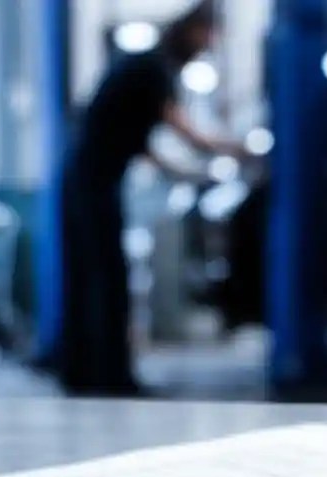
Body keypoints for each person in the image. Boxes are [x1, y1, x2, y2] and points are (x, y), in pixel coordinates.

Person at [58, 0, 243, 396]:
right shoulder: (153, 69)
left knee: (93, 278)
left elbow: (139, 143)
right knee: (106, 282)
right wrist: (239, 150)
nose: (209, 46)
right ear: (195, 30)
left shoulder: (144, 66)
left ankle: (88, 374)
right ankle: (108, 379)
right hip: (92, 184)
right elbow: (185, 131)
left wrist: (188, 173)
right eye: (210, 37)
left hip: (85, 181)